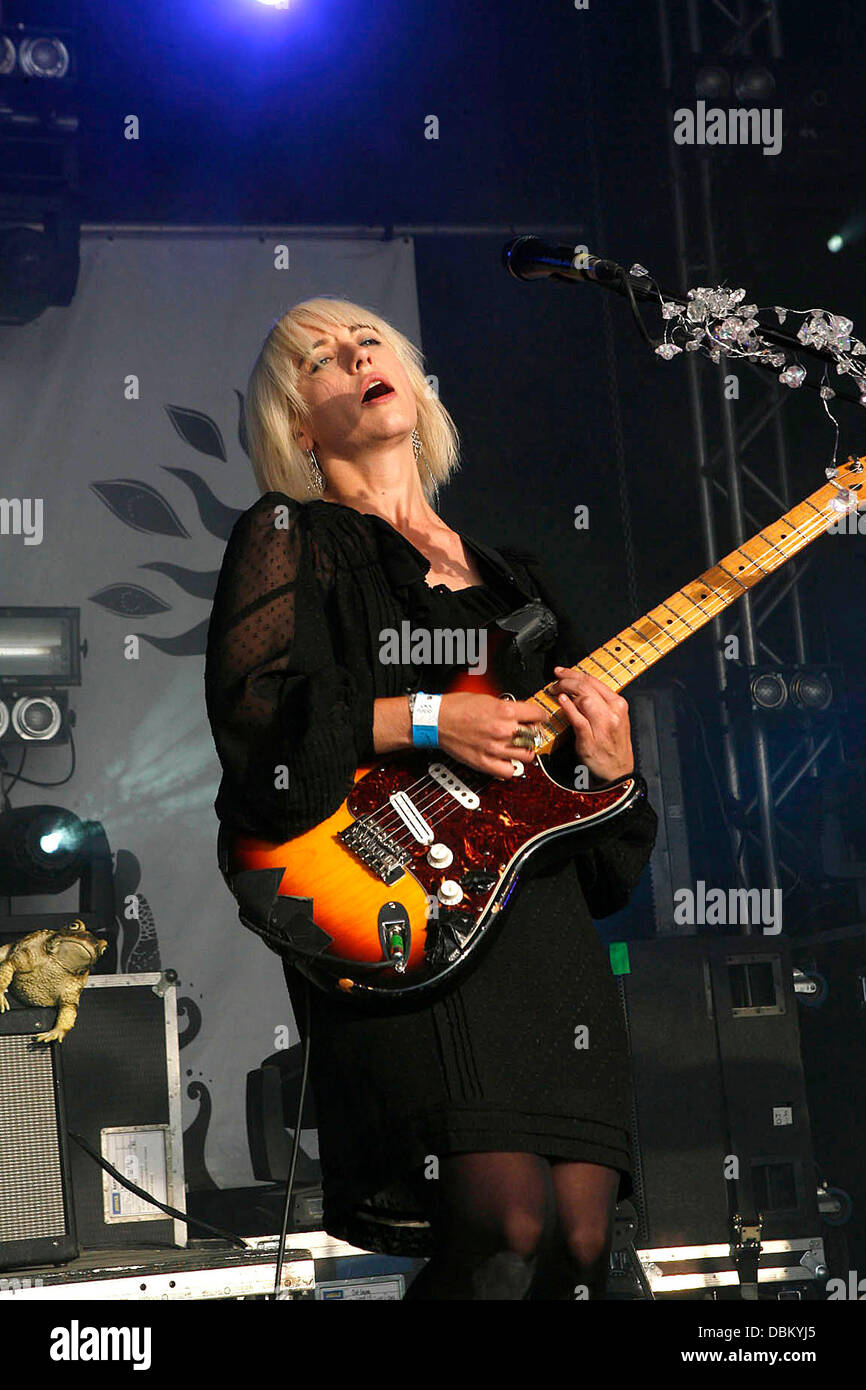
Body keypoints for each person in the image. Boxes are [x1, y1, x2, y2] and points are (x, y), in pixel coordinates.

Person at [204, 296, 658, 1299]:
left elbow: (607, 860)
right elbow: (253, 729)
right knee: (506, 1223)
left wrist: (616, 772)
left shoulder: (514, 579)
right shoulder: (292, 536)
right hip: (396, 910)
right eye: (321, 359)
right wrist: (418, 719)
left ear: (411, 376)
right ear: (295, 421)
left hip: (539, 933)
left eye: (368, 339)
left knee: (584, 1249)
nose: (355, 354)